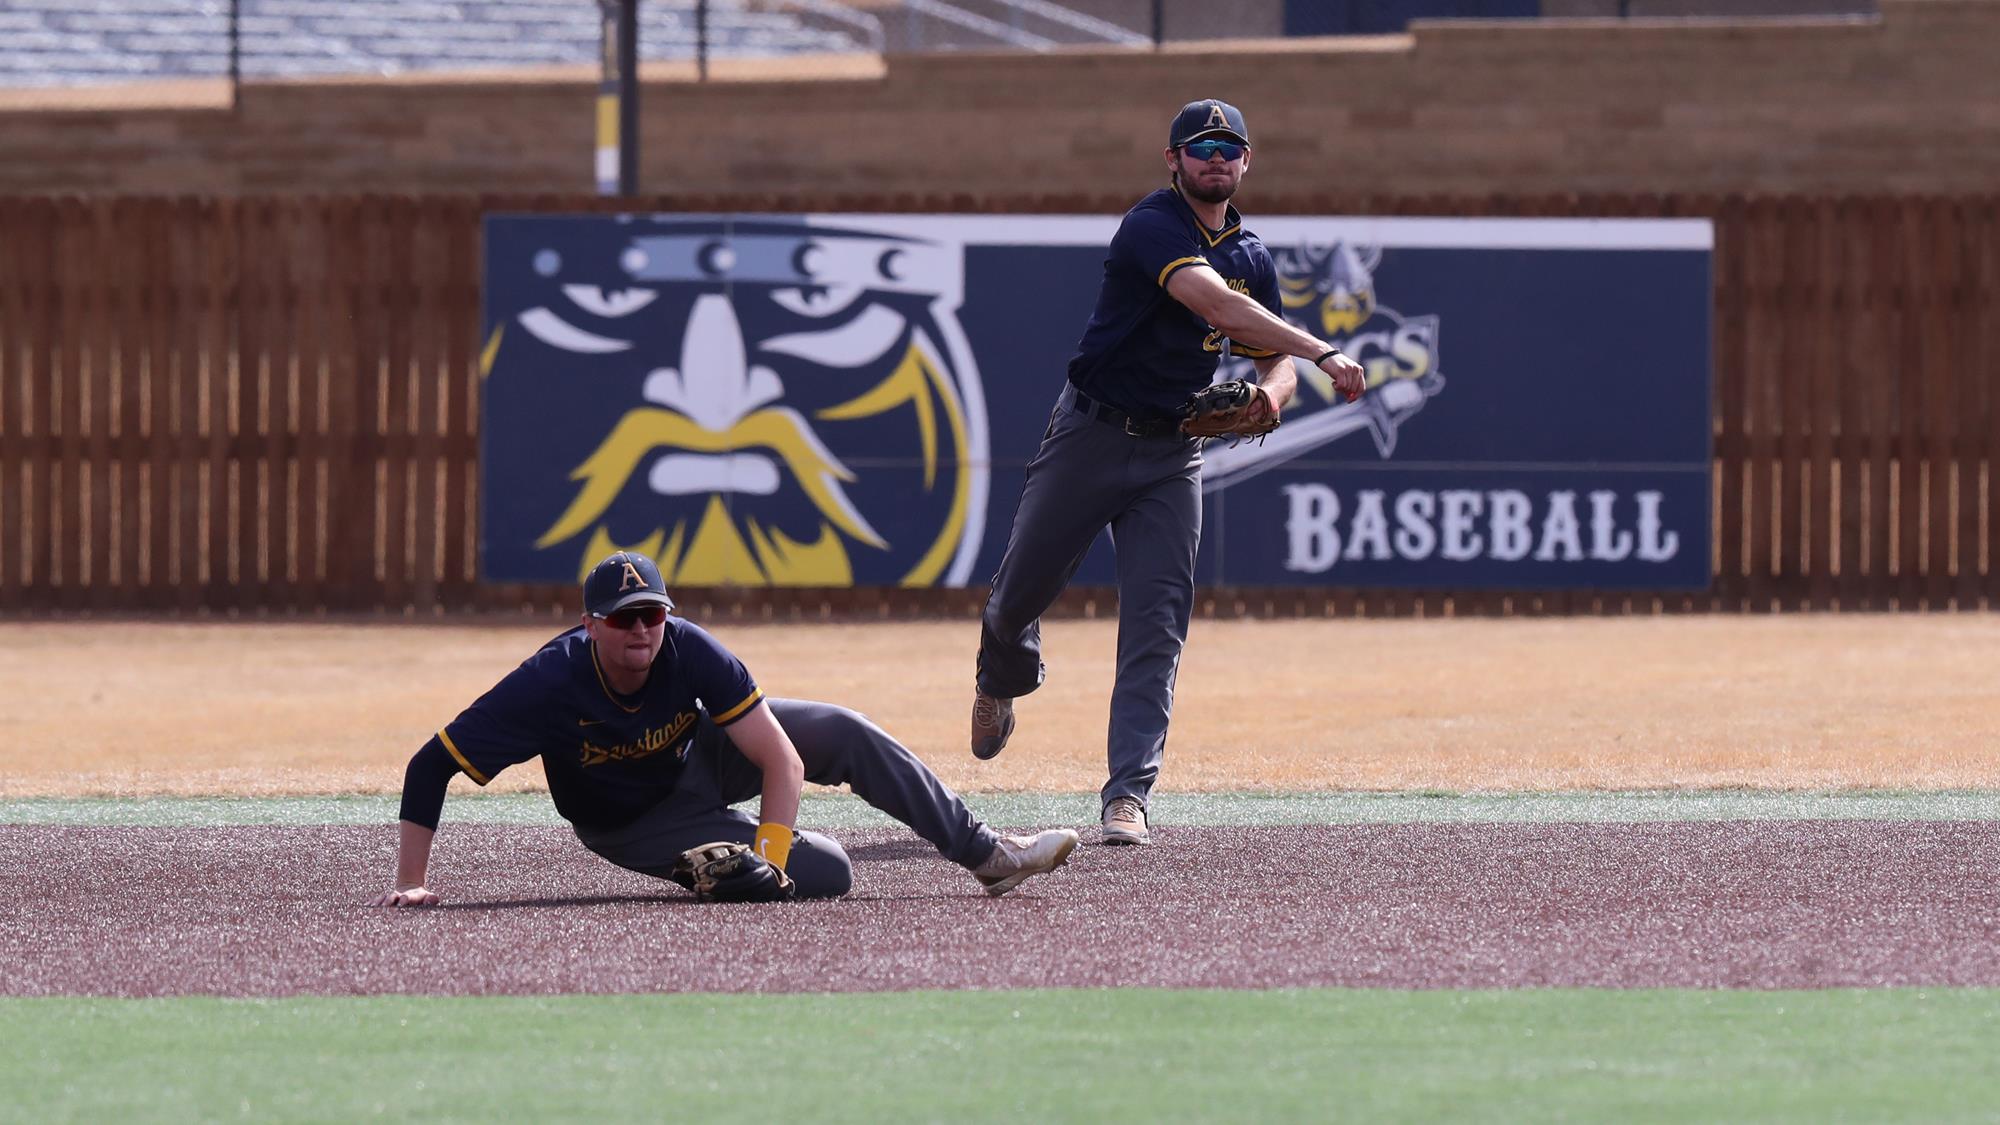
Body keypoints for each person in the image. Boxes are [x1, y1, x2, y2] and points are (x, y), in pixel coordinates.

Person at [970, 98, 1368, 846]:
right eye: (1200, 146)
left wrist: (1269, 398)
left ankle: (1128, 796)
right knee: (1018, 594)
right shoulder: (1151, 224)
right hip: (1091, 431)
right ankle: (1001, 674)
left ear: (1247, 162)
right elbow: (1214, 303)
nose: (1215, 157)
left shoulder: (1253, 253)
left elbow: (1268, 360)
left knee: (1157, 623)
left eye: (1229, 146)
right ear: (1173, 160)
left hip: (1172, 450)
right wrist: (1323, 351)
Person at [377, 551, 1079, 906]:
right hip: (632, 822)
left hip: (698, 759)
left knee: (842, 729)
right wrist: (411, 881)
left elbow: (782, 758)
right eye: (623, 617)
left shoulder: (689, 647)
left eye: (652, 613)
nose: (641, 630)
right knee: (829, 872)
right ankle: (724, 853)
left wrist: (770, 859)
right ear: (590, 623)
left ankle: (987, 854)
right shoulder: (548, 683)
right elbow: (429, 764)